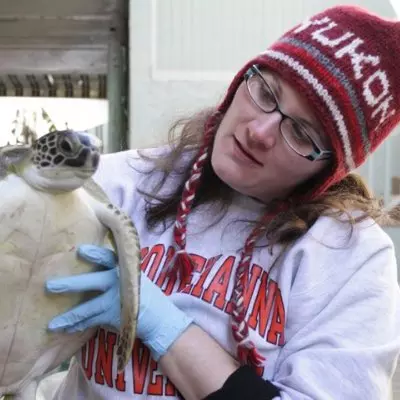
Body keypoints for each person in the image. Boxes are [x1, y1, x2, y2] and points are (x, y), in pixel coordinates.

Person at [44, 4, 400, 400]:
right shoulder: (125, 183)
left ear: (328, 168)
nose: (260, 132)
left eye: (301, 133)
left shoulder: (347, 256)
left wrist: (161, 323)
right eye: (266, 92)